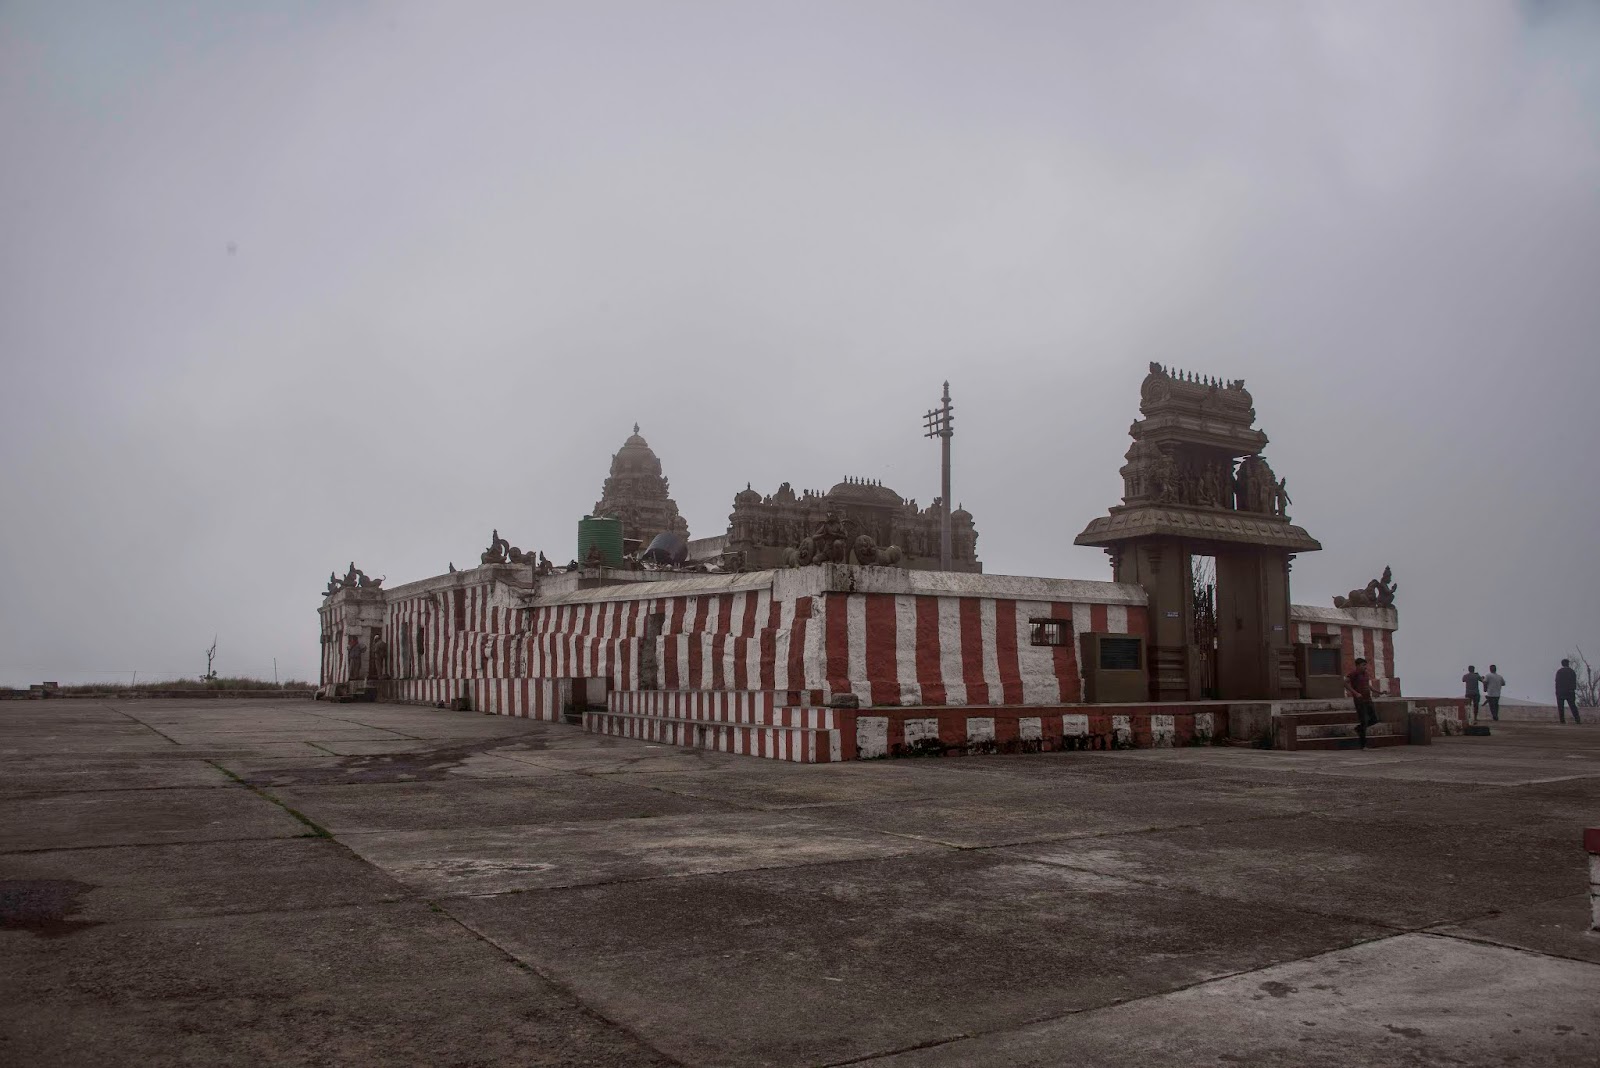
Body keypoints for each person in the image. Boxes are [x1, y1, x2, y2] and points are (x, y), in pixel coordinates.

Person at [1346, 656, 1379, 748]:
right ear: (1358, 666)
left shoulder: (1365, 674)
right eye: (1363, 665)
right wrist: (1355, 693)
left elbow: (1368, 685)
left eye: (1365, 665)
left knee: (1374, 719)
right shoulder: (1354, 674)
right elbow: (1345, 683)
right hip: (1360, 701)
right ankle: (1363, 744)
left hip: (1368, 699)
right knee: (1363, 720)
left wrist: (1378, 691)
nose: (1365, 667)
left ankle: (1359, 728)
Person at [1556, 659, 1582, 724]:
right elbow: (1574, 682)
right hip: (1570, 691)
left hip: (1560, 692)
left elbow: (1557, 682)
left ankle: (1562, 721)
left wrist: (1557, 691)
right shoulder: (1572, 672)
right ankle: (1577, 719)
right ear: (1568, 664)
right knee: (1573, 706)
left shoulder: (1559, 672)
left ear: (1562, 664)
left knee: (1561, 707)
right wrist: (1572, 690)